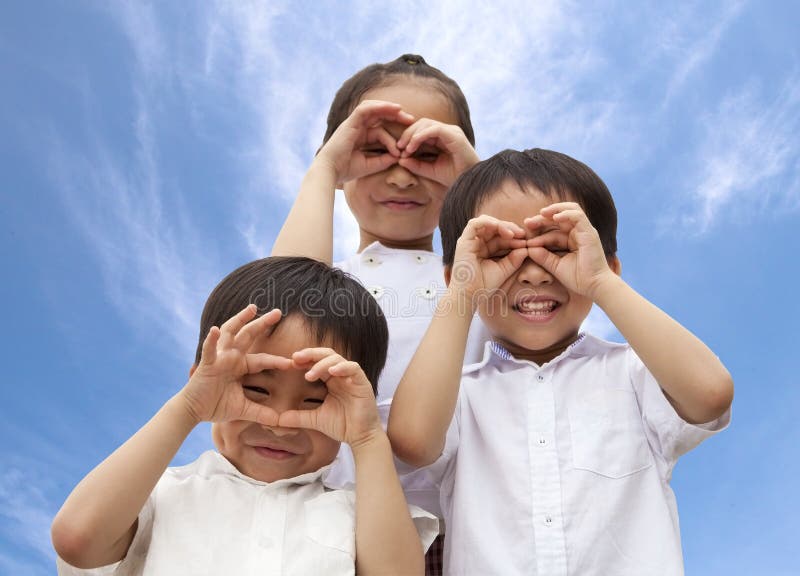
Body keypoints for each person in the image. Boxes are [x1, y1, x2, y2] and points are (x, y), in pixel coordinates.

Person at [388, 148, 734, 575]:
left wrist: (598, 281)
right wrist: (462, 291)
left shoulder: (631, 375)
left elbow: (711, 394)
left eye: (558, 249)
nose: (534, 272)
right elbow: (411, 440)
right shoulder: (460, 398)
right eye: (500, 254)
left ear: (608, 265)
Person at [51, 257, 437, 575]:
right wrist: (187, 408)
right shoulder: (159, 494)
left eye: (313, 401)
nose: (278, 422)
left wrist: (367, 438)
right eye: (255, 390)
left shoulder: (360, 515)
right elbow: (77, 541)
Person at [270, 54, 488, 570]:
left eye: (428, 152)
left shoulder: (479, 280)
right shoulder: (332, 275)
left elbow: (519, 252)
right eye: (374, 149)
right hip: (322, 531)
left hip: (461, 538)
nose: (402, 175)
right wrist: (325, 167)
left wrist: (477, 183)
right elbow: (281, 309)